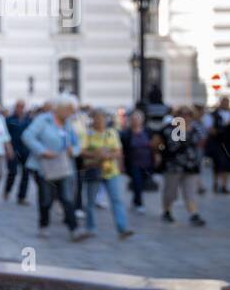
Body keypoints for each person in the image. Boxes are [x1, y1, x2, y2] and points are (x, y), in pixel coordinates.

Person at [22, 94, 87, 241]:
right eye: (70, 110)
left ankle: (74, 229)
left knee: (67, 198)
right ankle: (43, 225)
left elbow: (77, 143)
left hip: (64, 166)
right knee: (46, 199)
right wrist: (42, 151)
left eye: (73, 110)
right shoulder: (43, 120)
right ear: (60, 108)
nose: (72, 113)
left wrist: (74, 150)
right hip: (44, 167)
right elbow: (27, 136)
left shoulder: (68, 124)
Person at [81, 109, 133, 239]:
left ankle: (122, 228)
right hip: (93, 170)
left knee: (117, 200)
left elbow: (119, 152)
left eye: (102, 118)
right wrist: (97, 154)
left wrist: (108, 155)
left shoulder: (112, 133)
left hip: (111, 171)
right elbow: (81, 151)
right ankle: (90, 227)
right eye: (97, 118)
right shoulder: (88, 134)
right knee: (90, 201)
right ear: (93, 119)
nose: (99, 121)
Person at [155, 106, 206, 226]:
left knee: (190, 192)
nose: (186, 117)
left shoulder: (196, 129)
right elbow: (156, 142)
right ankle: (167, 211)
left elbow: (201, 144)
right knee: (171, 192)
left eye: (188, 114)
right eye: (182, 114)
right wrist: (158, 154)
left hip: (191, 166)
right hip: (173, 166)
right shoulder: (168, 129)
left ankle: (194, 214)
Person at [120, 109, 156, 212]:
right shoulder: (126, 134)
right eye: (134, 119)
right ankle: (139, 203)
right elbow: (122, 150)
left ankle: (136, 199)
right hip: (133, 162)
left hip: (147, 162)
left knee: (142, 182)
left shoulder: (148, 131)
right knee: (137, 182)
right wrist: (121, 164)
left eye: (138, 119)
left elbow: (154, 144)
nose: (136, 121)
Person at [3, 100, 34, 205]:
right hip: (13, 149)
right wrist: (8, 149)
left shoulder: (29, 120)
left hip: (26, 150)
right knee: (12, 172)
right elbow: (5, 135)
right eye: (19, 106)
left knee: (26, 174)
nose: (21, 109)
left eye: (22, 107)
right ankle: (7, 190)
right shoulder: (9, 119)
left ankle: (22, 197)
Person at [208, 97, 230, 194]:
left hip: (228, 143)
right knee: (217, 163)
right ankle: (216, 183)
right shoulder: (213, 115)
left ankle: (224, 185)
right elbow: (211, 129)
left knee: (227, 164)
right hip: (217, 143)